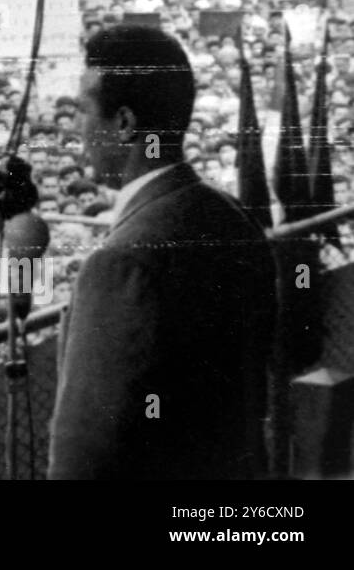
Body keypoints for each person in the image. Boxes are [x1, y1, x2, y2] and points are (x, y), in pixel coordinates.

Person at [48, 25, 275, 479]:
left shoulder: (120, 262)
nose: (78, 128)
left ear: (126, 124)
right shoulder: (232, 219)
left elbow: (84, 453)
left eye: (84, 111)